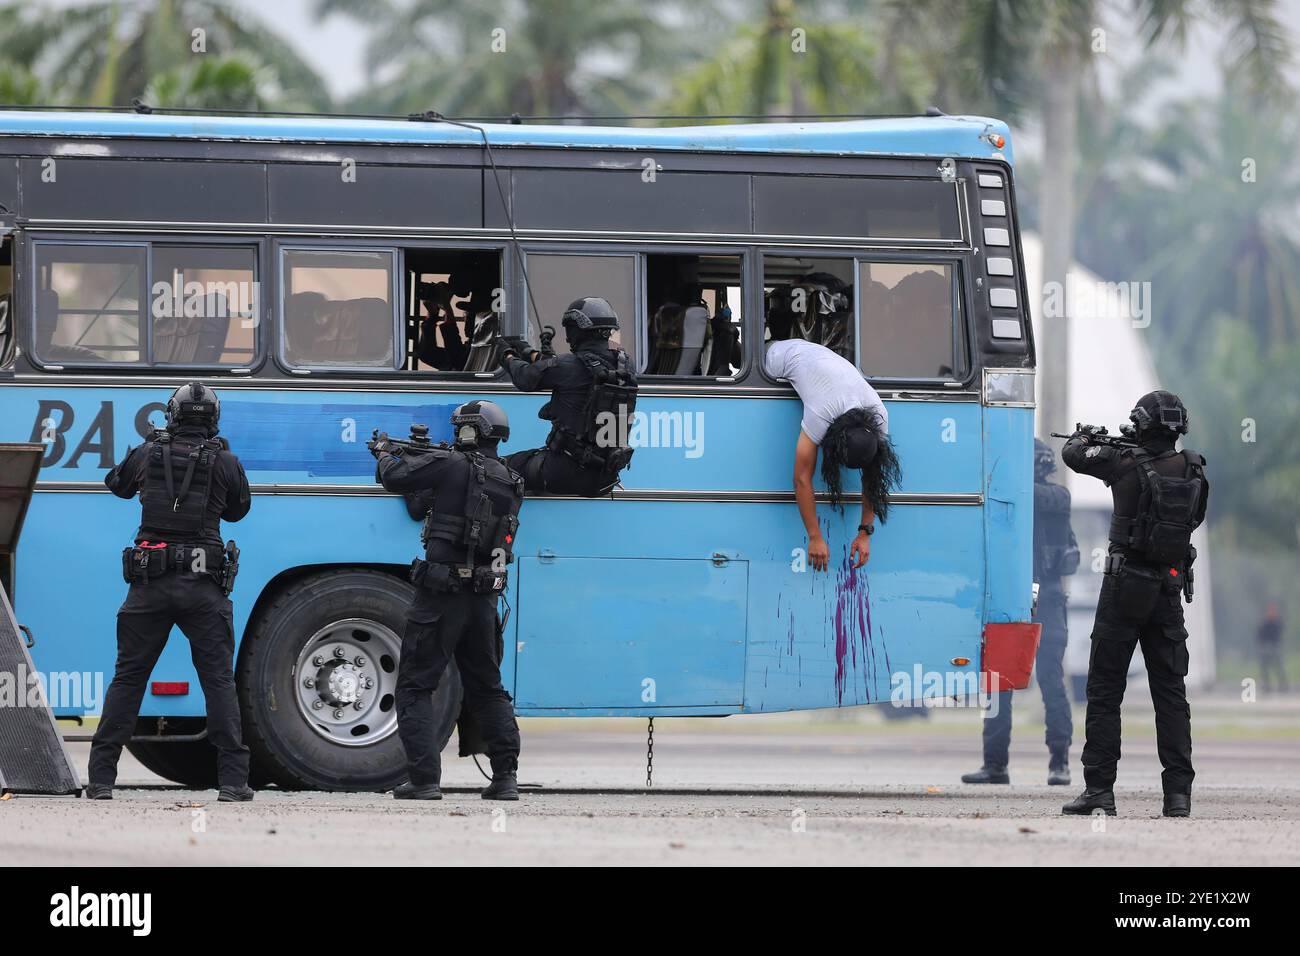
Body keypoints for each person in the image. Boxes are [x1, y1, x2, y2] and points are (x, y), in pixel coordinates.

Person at [89, 383, 252, 801]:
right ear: (213, 419)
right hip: (203, 588)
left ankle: (102, 780)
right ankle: (233, 783)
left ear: (171, 415)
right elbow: (237, 512)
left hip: (150, 585)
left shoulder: (147, 454)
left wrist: (148, 450)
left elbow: (116, 485)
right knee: (217, 681)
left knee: (128, 678)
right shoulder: (227, 460)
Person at [1060, 390, 1208, 818]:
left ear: (1142, 425)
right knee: (1171, 693)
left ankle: (1099, 790)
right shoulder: (1195, 469)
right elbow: (1191, 520)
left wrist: (1089, 435)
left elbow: (1073, 453)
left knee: (1105, 691)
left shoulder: (1121, 463)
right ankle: (1178, 796)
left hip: (1124, 587)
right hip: (1168, 589)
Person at [370, 400, 524, 800]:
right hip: (484, 599)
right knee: (488, 686)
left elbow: (394, 479)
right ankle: (506, 778)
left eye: (460, 430)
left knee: (416, 686)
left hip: (442, 595)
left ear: (470, 431)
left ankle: (424, 781)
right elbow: (423, 503)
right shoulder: (511, 478)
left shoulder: (453, 464)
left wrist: (386, 452)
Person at [963, 439, 1077, 786]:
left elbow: (1029, 497)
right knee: (1004, 683)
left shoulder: (1050, 498)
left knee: (1040, 682)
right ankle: (1003, 764)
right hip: (1029, 599)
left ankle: (1055, 763)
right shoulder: (1030, 498)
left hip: (1037, 598)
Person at [764, 321, 900, 571]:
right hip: (778, 356)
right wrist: (814, 537)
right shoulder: (821, 412)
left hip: (817, 358)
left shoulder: (879, 416)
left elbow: (873, 478)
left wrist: (865, 533)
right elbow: (802, 478)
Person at [498, 296, 638, 497]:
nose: (567, 337)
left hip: (561, 472)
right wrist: (530, 353)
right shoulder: (625, 366)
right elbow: (566, 369)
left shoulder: (568, 366)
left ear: (579, 330)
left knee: (493, 470)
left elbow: (525, 378)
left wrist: (507, 355)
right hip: (603, 477)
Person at [1257, 602, 1288, 692]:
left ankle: (1283, 685)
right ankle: (1266, 685)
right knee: (1265, 667)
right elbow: (1260, 634)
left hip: (1275, 646)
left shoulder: (1278, 622)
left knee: (1278, 666)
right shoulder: (1264, 622)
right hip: (1266, 646)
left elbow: (1280, 633)